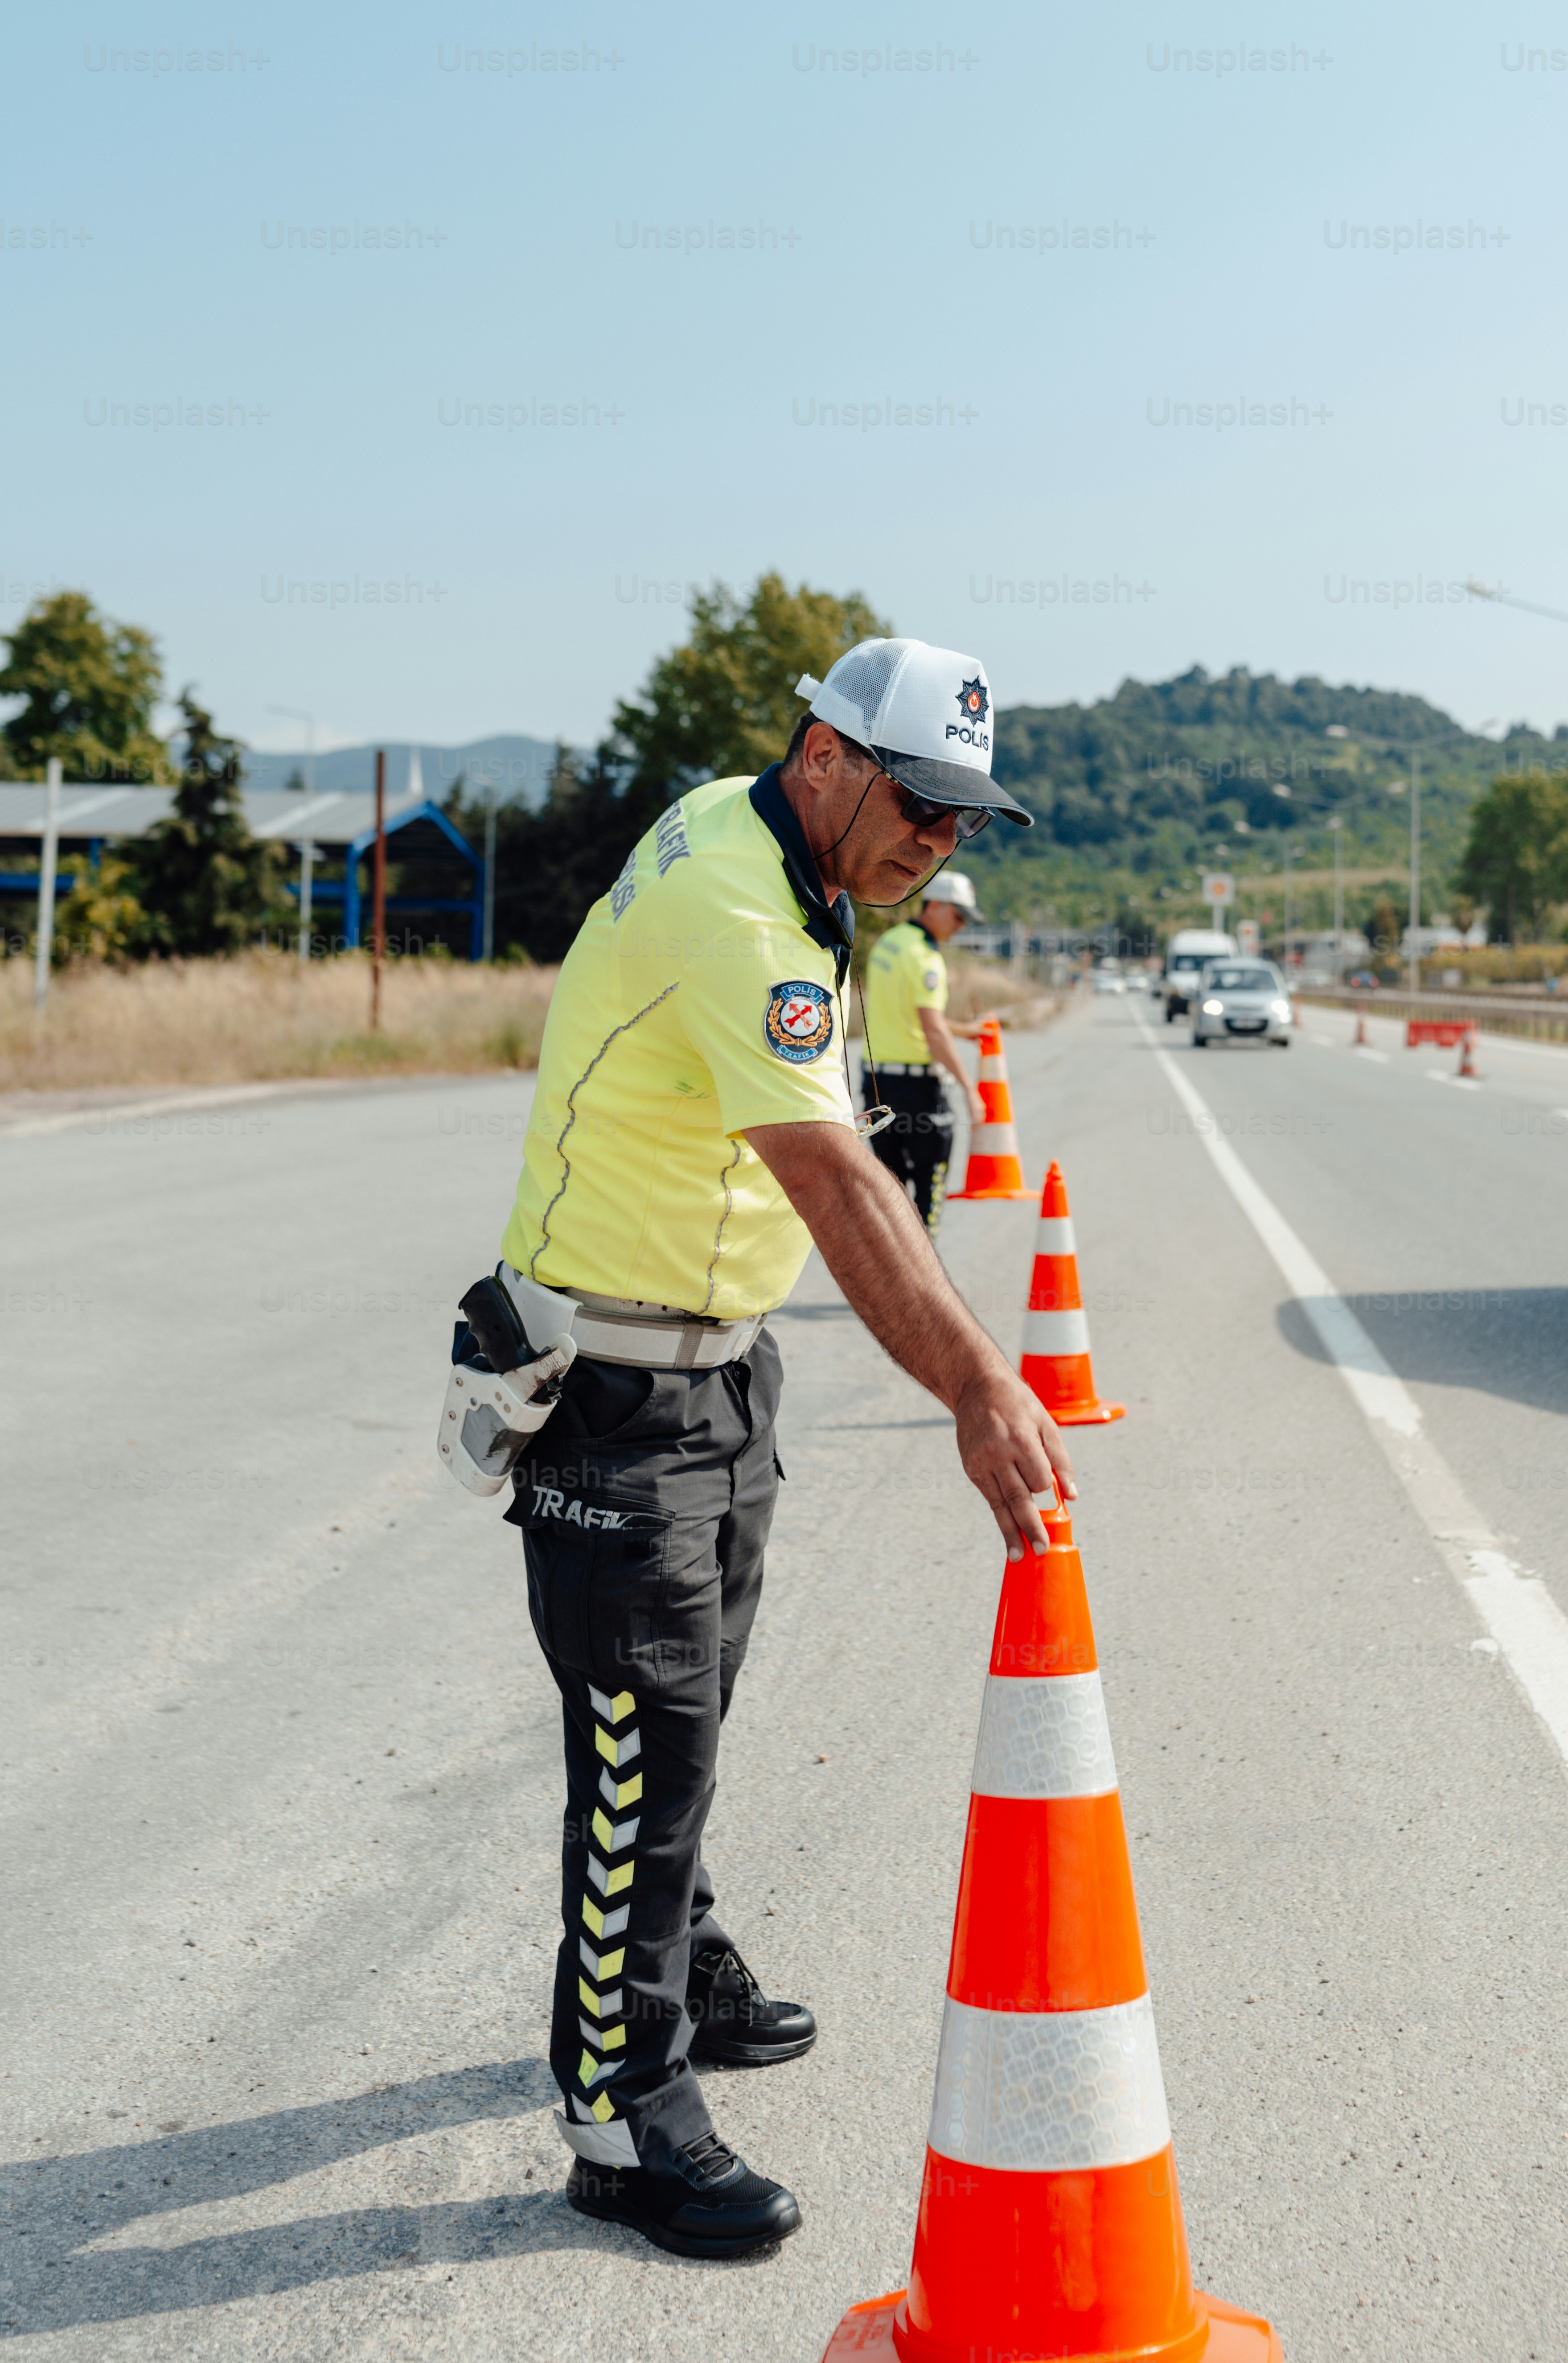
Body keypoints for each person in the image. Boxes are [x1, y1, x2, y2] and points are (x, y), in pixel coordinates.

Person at [488, 635, 1074, 2260]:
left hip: (717, 1372)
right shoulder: (745, 909)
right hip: (612, 1388)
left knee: (687, 1721)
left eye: (966, 823)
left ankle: (673, 1949)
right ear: (822, 751)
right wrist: (974, 1380)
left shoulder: (788, 866)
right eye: (919, 804)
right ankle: (624, 2110)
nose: (936, 844)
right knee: (641, 1755)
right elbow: (839, 1177)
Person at [861, 868, 995, 1233]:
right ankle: (919, 1280)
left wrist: (965, 1031)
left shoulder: (889, 943)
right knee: (928, 1189)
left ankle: (887, 1278)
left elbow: (910, 1018)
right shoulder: (925, 958)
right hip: (919, 1092)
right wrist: (970, 1089)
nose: (961, 926)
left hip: (877, 1086)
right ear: (934, 906)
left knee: (889, 1189)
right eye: (959, 916)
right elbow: (932, 1029)